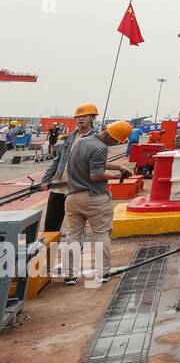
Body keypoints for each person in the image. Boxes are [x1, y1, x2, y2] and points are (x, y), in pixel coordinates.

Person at [61, 118, 133, 285]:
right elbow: (95, 175)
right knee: (101, 234)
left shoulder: (82, 141)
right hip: (94, 198)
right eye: (116, 141)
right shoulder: (101, 147)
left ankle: (70, 275)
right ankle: (103, 272)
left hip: (72, 197)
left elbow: (93, 163)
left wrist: (118, 167)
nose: (114, 144)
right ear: (110, 136)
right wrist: (115, 176)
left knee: (73, 236)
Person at [43, 105, 101, 238]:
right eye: (78, 116)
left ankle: (74, 251)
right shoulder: (71, 136)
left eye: (84, 116)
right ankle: (49, 250)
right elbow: (58, 159)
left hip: (78, 187)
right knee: (51, 225)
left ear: (93, 118)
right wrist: (46, 178)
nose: (80, 119)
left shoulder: (96, 138)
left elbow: (97, 165)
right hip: (59, 185)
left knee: (75, 227)